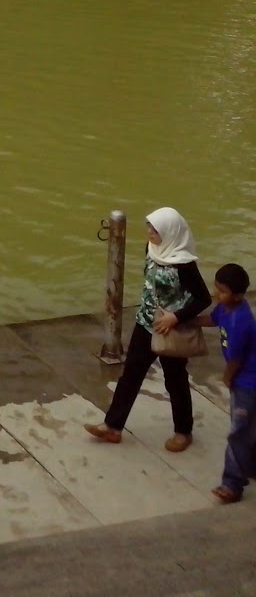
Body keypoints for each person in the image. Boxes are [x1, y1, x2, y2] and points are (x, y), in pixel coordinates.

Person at [85, 206, 211, 451]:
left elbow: (203, 299)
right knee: (131, 375)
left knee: (175, 379)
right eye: (149, 227)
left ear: (170, 232)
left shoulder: (184, 265)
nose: (149, 232)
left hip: (170, 329)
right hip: (146, 322)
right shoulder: (151, 249)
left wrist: (175, 317)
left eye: (155, 229)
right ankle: (113, 426)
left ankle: (183, 431)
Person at [206, 263, 256, 503]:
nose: (217, 294)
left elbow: (235, 359)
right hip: (246, 379)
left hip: (247, 382)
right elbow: (212, 319)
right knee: (250, 429)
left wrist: (227, 378)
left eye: (222, 291)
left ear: (237, 295)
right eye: (216, 288)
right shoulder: (225, 309)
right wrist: (184, 321)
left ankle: (232, 483)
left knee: (238, 431)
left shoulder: (240, 321)